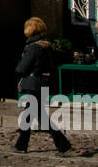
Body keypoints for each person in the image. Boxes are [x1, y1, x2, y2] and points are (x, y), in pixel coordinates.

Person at [13, 16, 72, 155]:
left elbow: (21, 68)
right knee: (31, 114)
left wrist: (20, 76)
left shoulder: (33, 48)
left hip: (33, 84)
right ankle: (21, 144)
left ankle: (63, 143)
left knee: (39, 116)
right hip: (44, 83)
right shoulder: (46, 46)